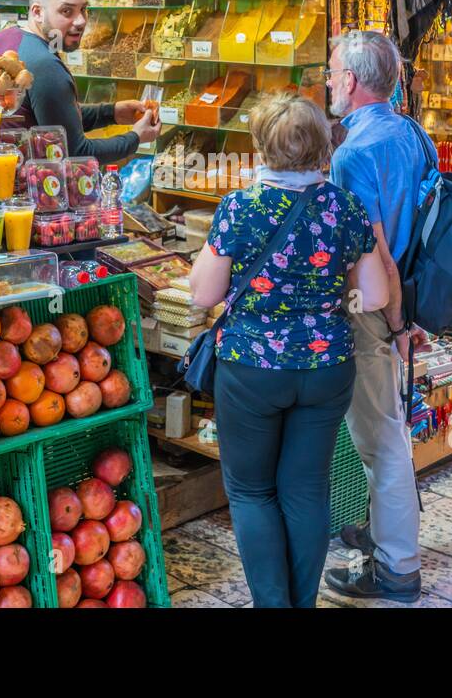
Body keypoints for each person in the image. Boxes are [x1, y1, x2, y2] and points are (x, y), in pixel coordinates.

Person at [188, 94, 389, 608]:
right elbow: (376, 297)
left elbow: (205, 295)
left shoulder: (241, 206)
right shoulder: (345, 206)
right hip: (326, 368)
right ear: (324, 146)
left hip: (252, 368)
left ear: (260, 147)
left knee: (253, 492)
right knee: (306, 489)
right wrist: (324, 299)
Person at [322, 30, 433, 603]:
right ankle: (387, 534)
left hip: (373, 306)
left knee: (381, 439)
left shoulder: (352, 153)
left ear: (353, 81)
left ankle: (396, 567)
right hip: (400, 298)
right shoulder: (410, 133)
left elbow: (377, 252)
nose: (328, 82)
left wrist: (392, 323)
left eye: (334, 71)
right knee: (387, 425)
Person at [15, 0, 159, 163]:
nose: (81, 21)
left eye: (83, 9)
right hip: (29, 188)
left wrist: (111, 113)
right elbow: (75, 153)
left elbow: (55, 116)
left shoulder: (9, 37)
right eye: (67, 11)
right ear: (38, 12)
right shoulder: (46, 65)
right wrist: (135, 138)